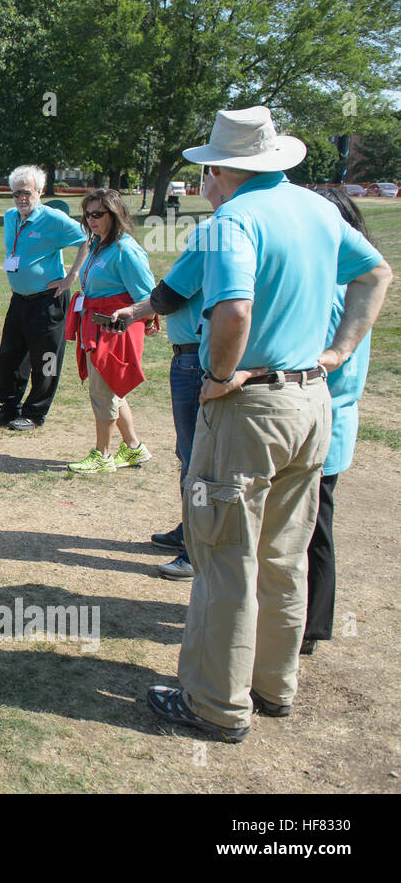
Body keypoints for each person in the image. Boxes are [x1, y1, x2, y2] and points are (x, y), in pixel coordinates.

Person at [145, 106, 390, 743]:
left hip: (251, 405)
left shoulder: (235, 220)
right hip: (311, 404)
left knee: (224, 552)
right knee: (283, 554)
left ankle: (214, 704)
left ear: (222, 169)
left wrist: (221, 375)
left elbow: (231, 313)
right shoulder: (317, 209)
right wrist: (334, 355)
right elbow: (375, 273)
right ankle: (272, 686)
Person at [112, 171, 228, 580]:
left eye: (211, 172)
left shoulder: (216, 229)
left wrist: (138, 311)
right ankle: (191, 532)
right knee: (197, 454)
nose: (207, 181)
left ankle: (196, 547)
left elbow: (171, 293)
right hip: (208, 355)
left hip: (198, 357)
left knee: (198, 457)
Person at [303, 186, 375, 656]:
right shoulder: (352, 282)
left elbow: (321, 360)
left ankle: (309, 624)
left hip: (323, 423)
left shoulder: (333, 288)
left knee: (312, 533)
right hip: (328, 424)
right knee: (313, 527)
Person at [0, 165, 88, 431]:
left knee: (46, 359)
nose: (21, 198)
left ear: (39, 192)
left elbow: (90, 238)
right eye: (16, 193)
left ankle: (35, 413)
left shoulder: (54, 219)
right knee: (10, 357)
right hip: (20, 299)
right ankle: (9, 408)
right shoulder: (10, 216)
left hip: (48, 300)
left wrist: (71, 276)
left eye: (27, 193)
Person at [64, 189, 155, 474]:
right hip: (95, 323)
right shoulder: (98, 245)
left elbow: (149, 297)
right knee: (110, 389)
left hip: (115, 329)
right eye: (87, 215)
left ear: (114, 215)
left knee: (103, 392)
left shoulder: (126, 250)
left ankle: (102, 454)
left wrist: (136, 320)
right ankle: (134, 447)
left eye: (97, 214)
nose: (91, 220)